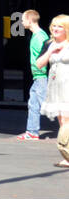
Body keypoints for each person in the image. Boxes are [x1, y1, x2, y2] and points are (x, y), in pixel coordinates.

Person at [17, 9, 52, 140]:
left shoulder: (40, 36)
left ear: (30, 21)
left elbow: (48, 54)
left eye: (23, 19)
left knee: (49, 105)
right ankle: (32, 131)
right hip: (38, 76)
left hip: (42, 76)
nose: (21, 22)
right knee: (33, 103)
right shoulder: (37, 35)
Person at [39, 15, 69, 167]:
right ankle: (67, 155)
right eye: (54, 26)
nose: (56, 29)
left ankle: (67, 152)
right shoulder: (49, 43)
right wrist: (50, 52)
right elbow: (39, 64)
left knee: (66, 122)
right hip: (55, 87)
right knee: (61, 121)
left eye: (60, 26)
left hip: (67, 86)